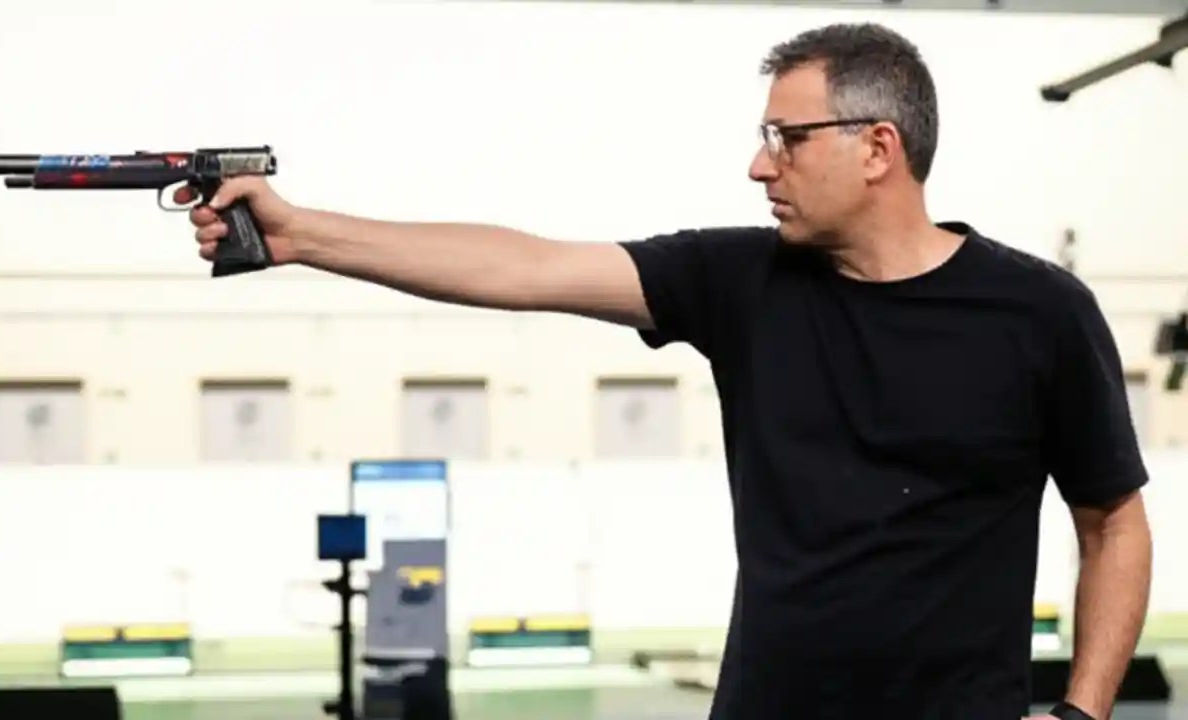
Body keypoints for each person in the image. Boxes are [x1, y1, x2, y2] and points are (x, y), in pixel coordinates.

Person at [180, 22, 1152, 720]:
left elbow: (1112, 523)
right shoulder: (738, 282)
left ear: (877, 148)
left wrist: (1080, 713)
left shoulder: (1039, 314)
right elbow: (524, 267)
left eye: (786, 139)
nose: (759, 166)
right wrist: (300, 235)